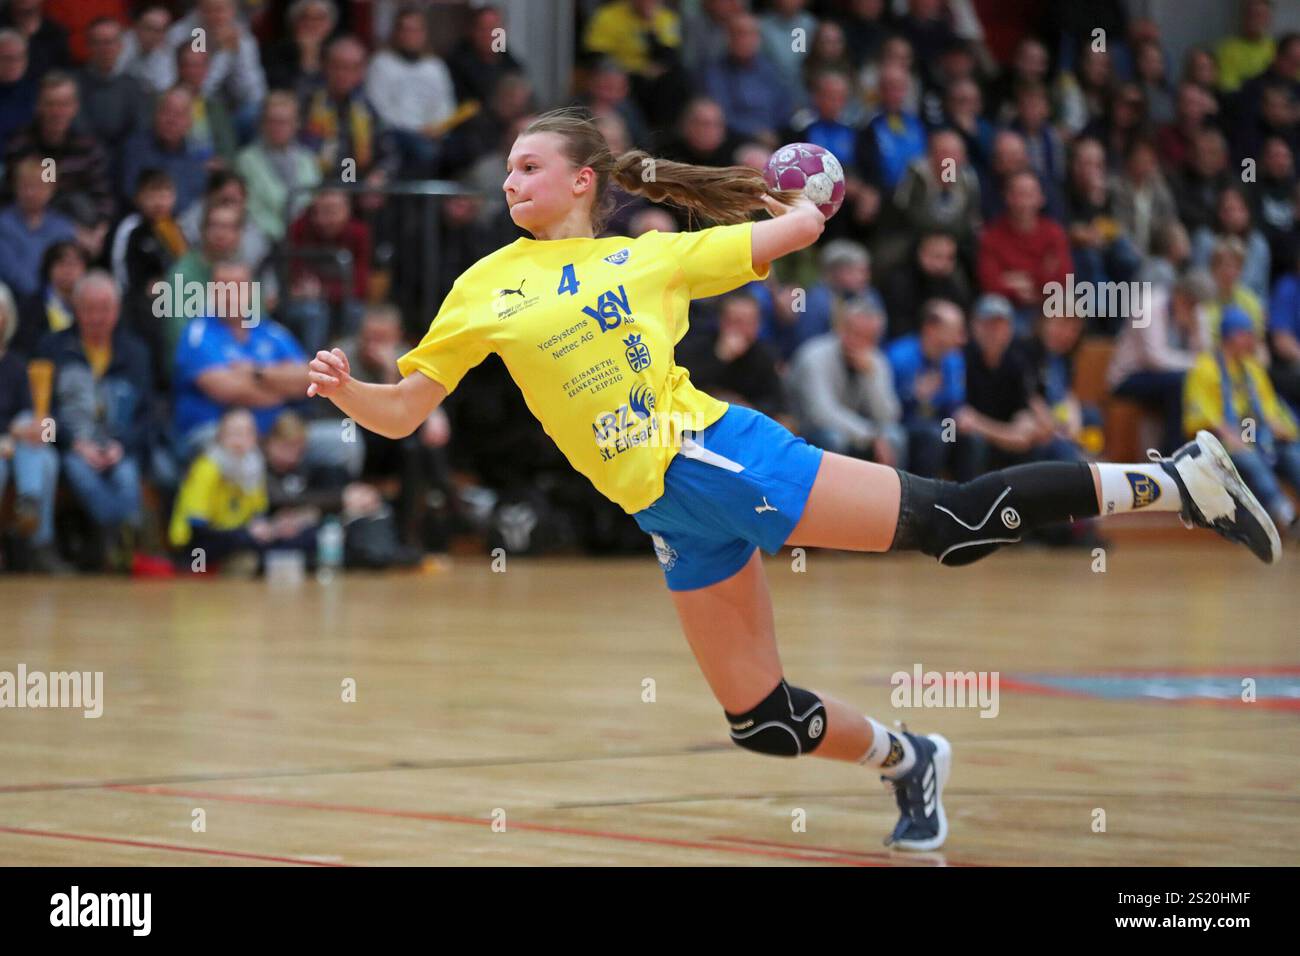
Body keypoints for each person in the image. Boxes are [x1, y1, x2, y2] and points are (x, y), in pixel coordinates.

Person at [305, 108, 1283, 854]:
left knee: (951, 522)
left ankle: (1174, 480)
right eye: (508, 168)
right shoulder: (483, 285)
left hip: (718, 455)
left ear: (582, 181)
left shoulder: (649, 258)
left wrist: (810, 196)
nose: (510, 180)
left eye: (529, 166)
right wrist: (352, 392)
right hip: (665, 511)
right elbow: (403, 411)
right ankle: (913, 757)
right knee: (763, 720)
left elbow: (795, 237)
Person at [1184, 304, 1300, 538]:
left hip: (1257, 437)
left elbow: (1270, 410)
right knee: (1251, 460)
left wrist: (1284, 429)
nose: (1253, 341)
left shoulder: (1252, 368)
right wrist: (1231, 437)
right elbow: (1199, 417)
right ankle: (1287, 518)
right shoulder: (1204, 368)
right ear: (1233, 336)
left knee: (1293, 454)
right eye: (1248, 335)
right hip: (1222, 444)